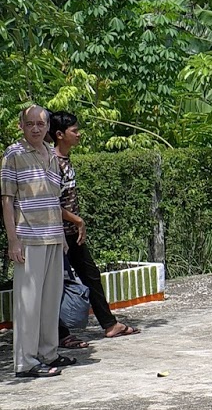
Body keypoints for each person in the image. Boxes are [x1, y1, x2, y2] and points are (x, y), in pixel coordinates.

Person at [49, 111, 139, 345]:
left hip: (71, 232)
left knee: (91, 275)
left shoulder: (65, 160)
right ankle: (61, 335)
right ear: (59, 134)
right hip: (56, 233)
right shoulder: (50, 162)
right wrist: (77, 220)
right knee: (60, 284)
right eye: (74, 131)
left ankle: (110, 324)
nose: (78, 134)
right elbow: (49, 203)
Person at [3, 106, 69, 378]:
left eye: (40, 124)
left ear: (47, 126)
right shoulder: (13, 154)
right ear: (21, 126)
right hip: (28, 237)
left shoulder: (52, 155)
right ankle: (26, 362)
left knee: (50, 301)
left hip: (52, 235)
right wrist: (12, 240)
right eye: (29, 124)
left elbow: (55, 199)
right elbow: (6, 199)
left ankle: (47, 352)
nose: (35, 129)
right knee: (28, 303)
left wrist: (63, 236)